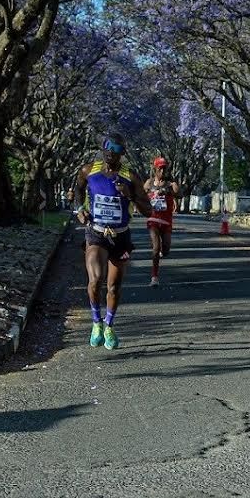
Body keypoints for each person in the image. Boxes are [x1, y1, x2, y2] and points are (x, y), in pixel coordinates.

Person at [72, 133, 153, 349]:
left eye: (116, 151)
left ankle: (108, 326)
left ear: (122, 154)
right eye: (107, 149)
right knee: (95, 279)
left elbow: (148, 210)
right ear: (102, 149)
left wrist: (130, 195)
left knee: (114, 287)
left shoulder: (131, 177)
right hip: (96, 233)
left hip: (121, 236)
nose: (110, 154)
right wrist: (80, 209)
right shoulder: (88, 170)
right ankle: (96, 322)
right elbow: (78, 189)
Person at [145, 157, 178, 286]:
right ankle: (154, 277)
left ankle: (161, 252)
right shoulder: (149, 183)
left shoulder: (171, 184)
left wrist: (169, 190)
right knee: (156, 248)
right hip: (153, 219)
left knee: (166, 250)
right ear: (155, 169)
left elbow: (179, 193)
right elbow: (141, 195)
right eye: (160, 168)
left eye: (164, 168)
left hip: (166, 221)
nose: (162, 171)